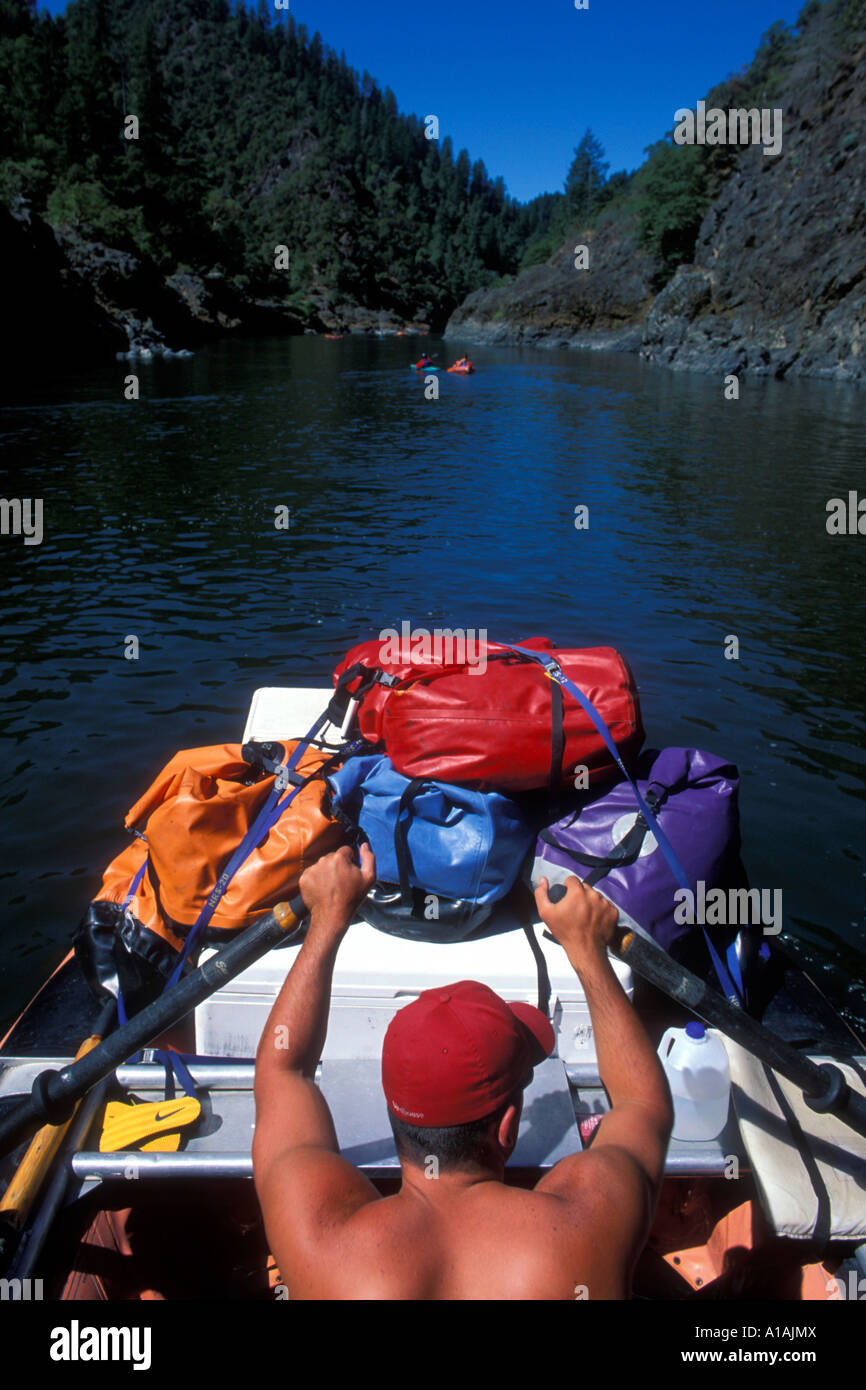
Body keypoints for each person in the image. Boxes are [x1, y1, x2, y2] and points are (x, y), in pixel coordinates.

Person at [252, 845, 673, 1300]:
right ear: (508, 1128)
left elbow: (284, 1070)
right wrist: (588, 951)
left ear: (395, 1113)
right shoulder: (585, 1227)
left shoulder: (318, 1238)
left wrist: (327, 920)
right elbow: (641, 1103)